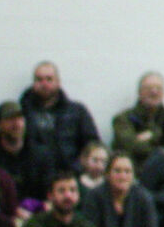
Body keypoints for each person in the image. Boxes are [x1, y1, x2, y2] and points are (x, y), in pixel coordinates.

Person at [17, 62, 101, 201]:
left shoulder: (77, 111)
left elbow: (93, 146)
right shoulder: (21, 112)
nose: (44, 84)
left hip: (70, 184)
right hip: (31, 186)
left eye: (49, 79)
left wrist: (77, 170)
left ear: (58, 82)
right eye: (39, 79)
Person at [112, 73, 164, 166]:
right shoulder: (123, 119)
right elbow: (130, 148)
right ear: (139, 92)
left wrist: (152, 135)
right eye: (148, 88)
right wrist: (163, 142)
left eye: (158, 88)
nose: (154, 92)